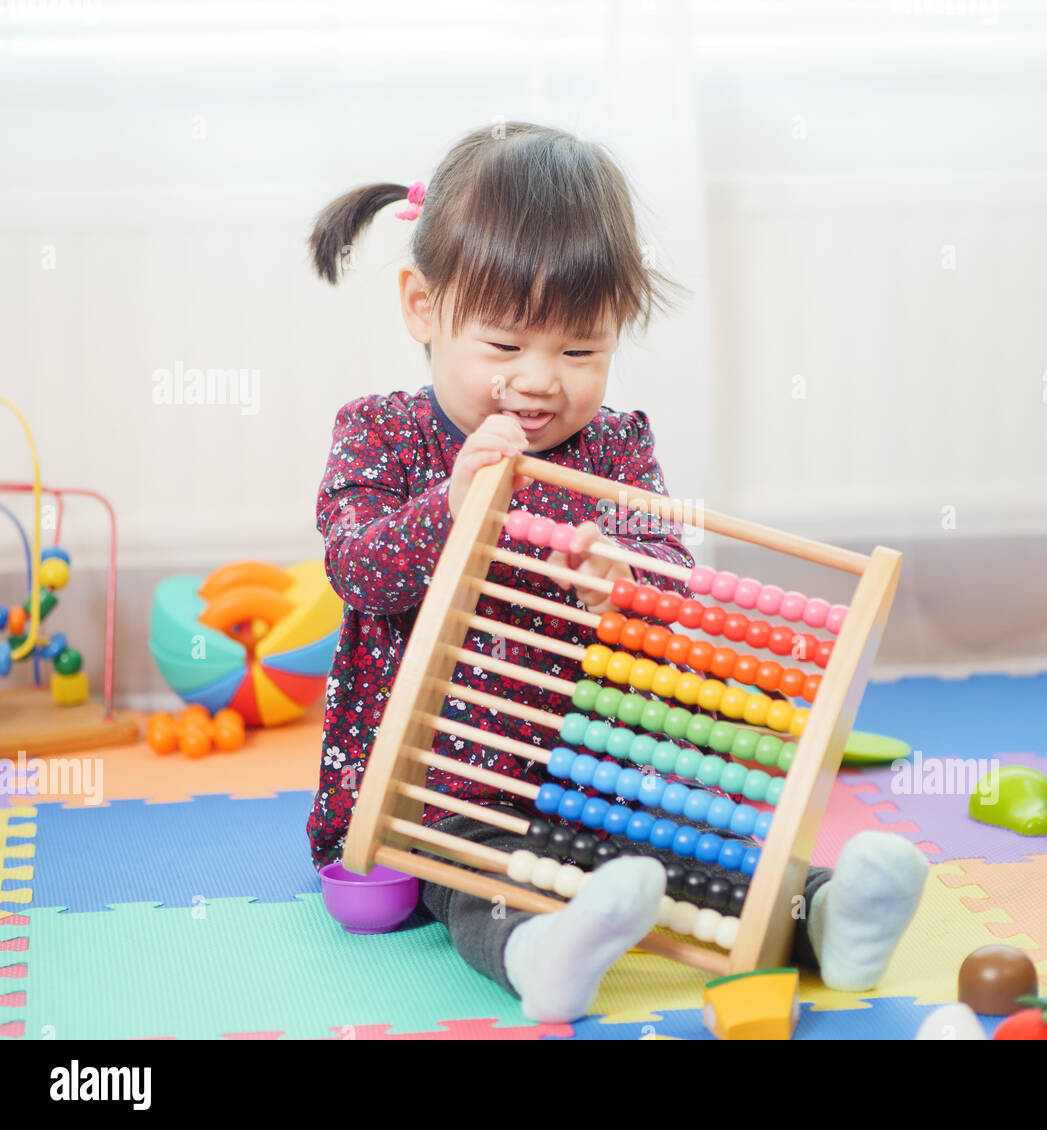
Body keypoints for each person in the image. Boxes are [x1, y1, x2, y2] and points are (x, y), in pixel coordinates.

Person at [307, 121, 928, 1023]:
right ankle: (541, 955)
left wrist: (626, 580)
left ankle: (831, 916)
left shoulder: (615, 451)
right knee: (482, 883)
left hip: (591, 773)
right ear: (421, 306)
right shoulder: (381, 436)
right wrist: (451, 502)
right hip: (438, 796)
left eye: (579, 350)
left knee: (705, 856)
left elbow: (672, 575)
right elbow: (358, 571)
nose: (540, 381)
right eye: (506, 345)